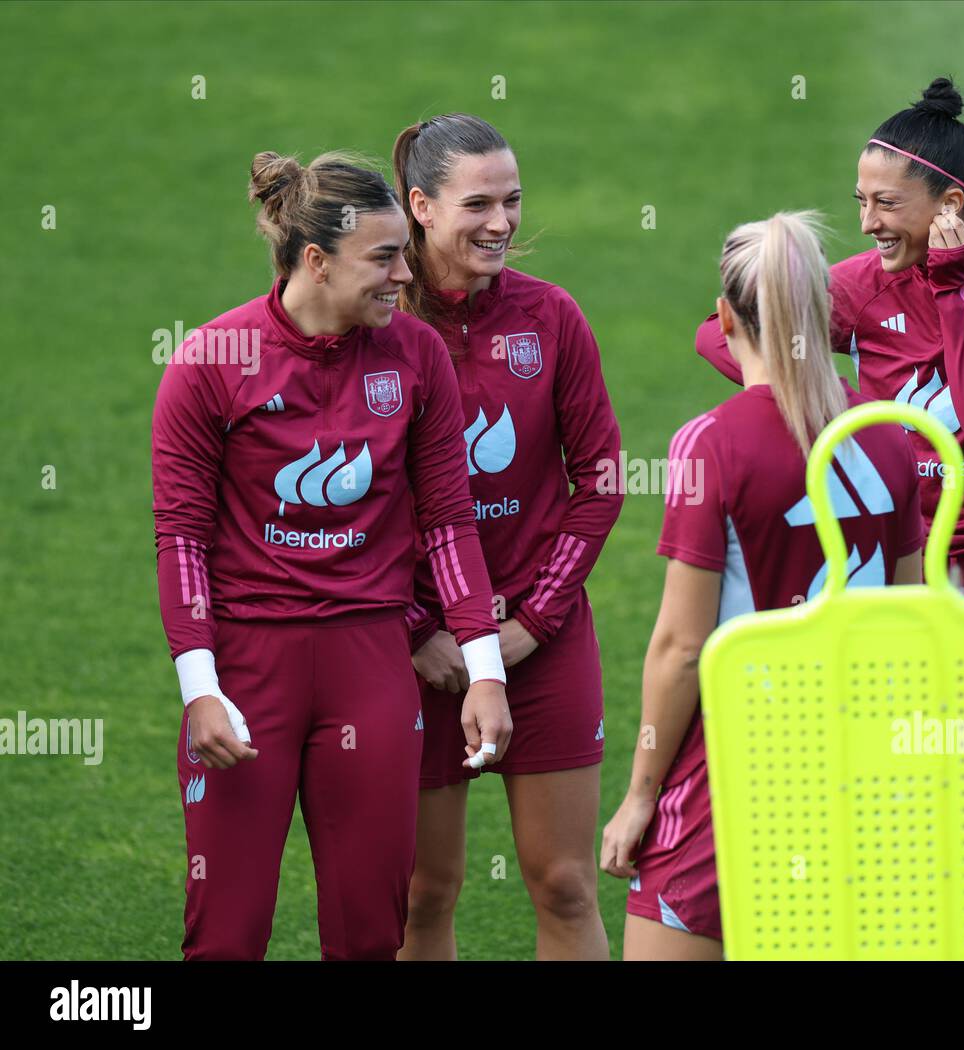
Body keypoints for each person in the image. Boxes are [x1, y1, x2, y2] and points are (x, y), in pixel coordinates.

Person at [152, 149, 509, 961]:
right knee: (227, 936)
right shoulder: (208, 362)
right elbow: (181, 538)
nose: (401, 276)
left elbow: (450, 523)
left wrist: (484, 668)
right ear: (315, 260)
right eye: (383, 258)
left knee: (368, 935)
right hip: (247, 673)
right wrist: (199, 689)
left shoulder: (416, 357)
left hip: (370, 667)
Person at [601, 211, 925, 960]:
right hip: (859, 776)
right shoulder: (889, 434)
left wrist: (642, 794)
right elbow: (912, 623)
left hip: (737, 775)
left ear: (724, 316)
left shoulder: (710, 443)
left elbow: (683, 648)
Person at [696, 78, 964, 622]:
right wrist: (845, 411)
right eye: (861, 202)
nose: (867, 224)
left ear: (950, 204)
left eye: (887, 204)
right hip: (893, 556)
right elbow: (723, 332)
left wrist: (953, 286)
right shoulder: (865, 283)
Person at [391, 115, 623, 961]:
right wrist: (421, 633)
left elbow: (600, 477)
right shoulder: (376, 328)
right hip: (417, 652)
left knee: (564, 882)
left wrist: (530, 623)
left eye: (513, 200)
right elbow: (354, 506)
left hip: (542, 640)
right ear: (420, 205)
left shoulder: (551, 317)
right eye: (478, 203)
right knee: (422, 895)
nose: (501, 223)